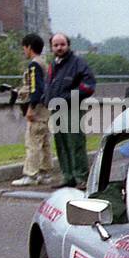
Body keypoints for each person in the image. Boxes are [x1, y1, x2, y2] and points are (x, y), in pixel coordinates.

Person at [45, 33, 97, 188]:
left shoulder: (78, 63)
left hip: (72, 108)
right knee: (61, 143)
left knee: (75, 143)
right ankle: (67, 176)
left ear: (68, 45)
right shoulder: (53, 65)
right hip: (56, 109)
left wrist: (69, 97)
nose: (59, 48)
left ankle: (81, 177)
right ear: (52, 47)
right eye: (56, 45)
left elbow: (89, 85)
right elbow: (49, 85)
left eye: (62, 44)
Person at [11, 33, 59, 186]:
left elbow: (35, 88)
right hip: (46, 108)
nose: (24, 51)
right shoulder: (44, 63)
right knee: (44, 142)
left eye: (24, 48)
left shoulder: (34, 65)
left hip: (38, 109)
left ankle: (30, 174)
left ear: (29, 47)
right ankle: (45, 173)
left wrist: (31, 108)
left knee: (33, 141)